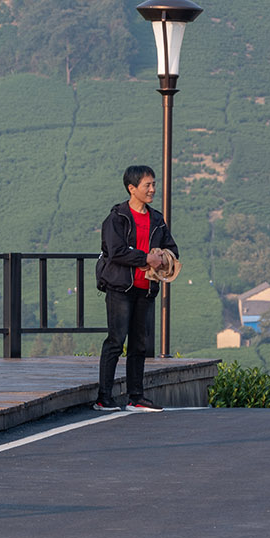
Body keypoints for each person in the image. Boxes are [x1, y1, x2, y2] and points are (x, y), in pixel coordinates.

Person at [93, 164, 179, 412]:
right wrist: (146, 258)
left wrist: (164, 256)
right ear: (132, 188)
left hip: (146, 289)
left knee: (139, 344)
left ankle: (136, 397)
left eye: (154, 184)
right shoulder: (117, 218)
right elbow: (116, 251)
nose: (152, 189)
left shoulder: (157, 219)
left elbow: (173, 248)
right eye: (147, 185)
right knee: (116, 341)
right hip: (120, 288)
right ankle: (104, 398)